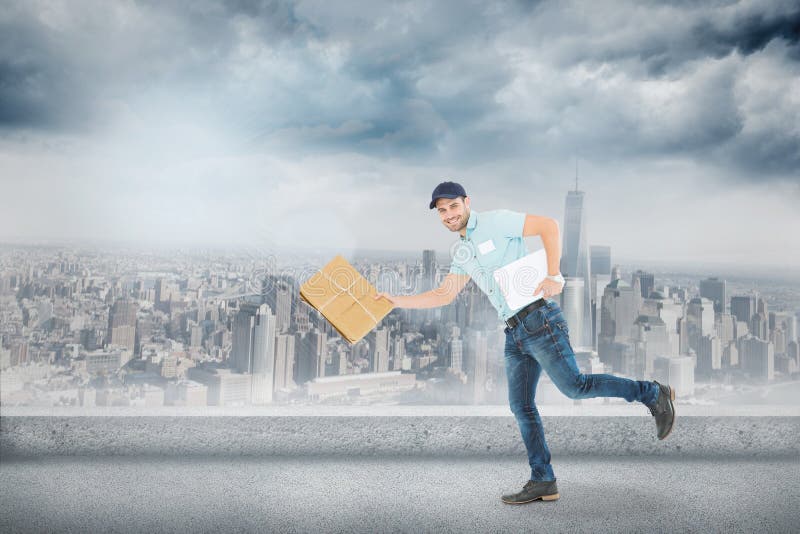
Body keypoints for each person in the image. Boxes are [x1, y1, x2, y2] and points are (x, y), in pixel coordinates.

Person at [373, 180, 676, 505]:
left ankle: (653, 393)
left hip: (539, 320)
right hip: (515, 332)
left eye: (453, 206)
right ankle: (543, 480)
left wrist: (553, 275)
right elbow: (445, 294)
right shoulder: (461, 250)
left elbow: (548, 226)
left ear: (466, 202)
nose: (448, 214)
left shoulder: (495, 221)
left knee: (575, 386)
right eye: (442, 210)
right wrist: (395, 301)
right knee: (521, 406)